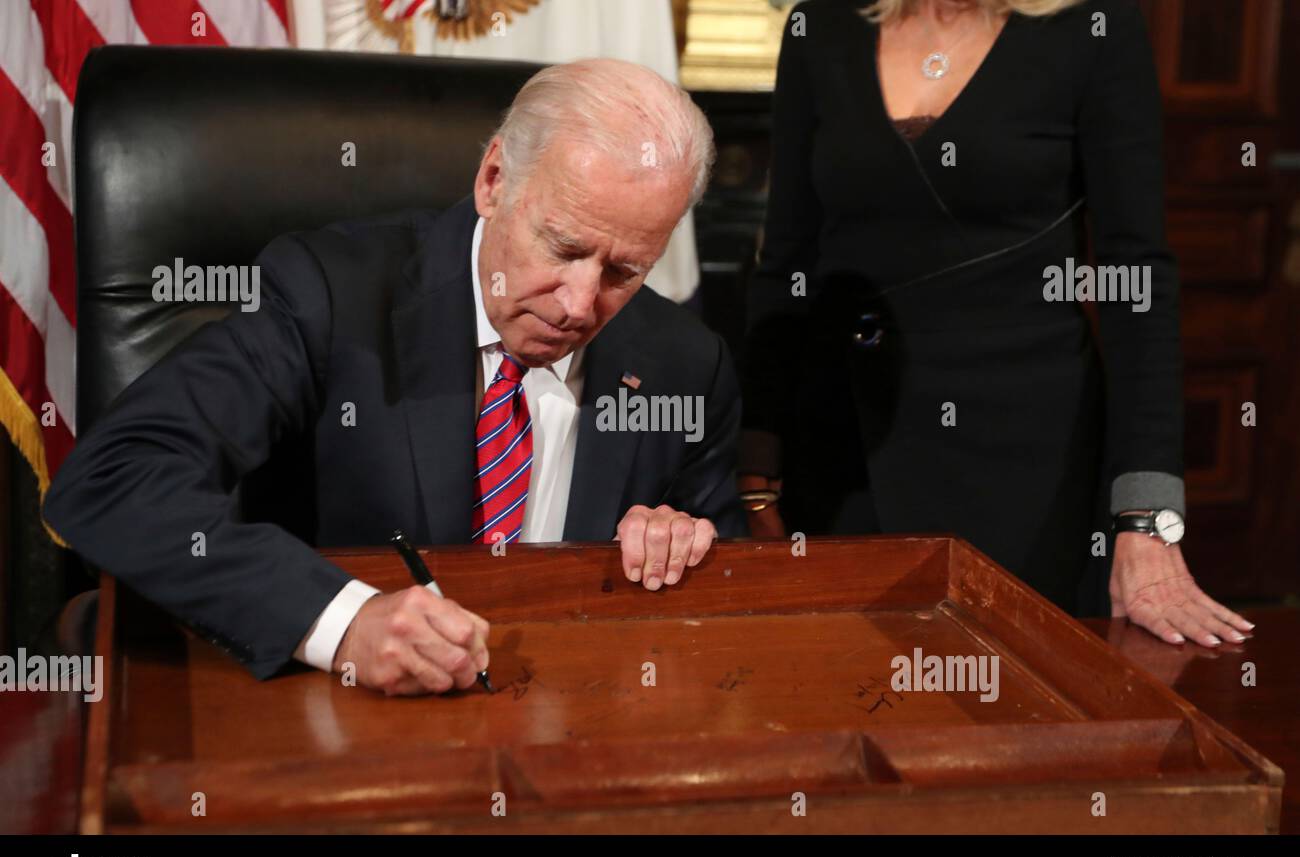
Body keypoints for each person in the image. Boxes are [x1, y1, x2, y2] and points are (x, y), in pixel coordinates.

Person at [44, 58, 744, 696]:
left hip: (569, 719)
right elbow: (113, 478)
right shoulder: (328, 295)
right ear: (494, 181)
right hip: (330, 715)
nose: (580, 304)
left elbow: (739, 586)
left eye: (625, 271)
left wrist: (678, 542)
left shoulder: (685, 363)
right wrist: (343, 622)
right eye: (562, 247)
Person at [740, 0, 1251, 648]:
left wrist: (1146, 518)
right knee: (848, 703)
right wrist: (754, 462)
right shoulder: (822, 23)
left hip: (1031, 460)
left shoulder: (1093, 27)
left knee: (1019, 717)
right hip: (845, 456)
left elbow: (1136, 279)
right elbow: (786, 261)